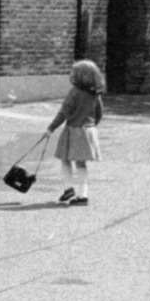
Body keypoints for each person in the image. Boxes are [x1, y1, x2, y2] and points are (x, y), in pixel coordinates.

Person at [48, 59, 104, 206]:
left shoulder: (74, 92)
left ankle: (68, 188)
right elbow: (99, 114)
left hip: (73, 130)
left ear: (79, 76)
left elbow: (64, 112)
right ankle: (83, 195)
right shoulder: (95, 94)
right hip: (88, 130)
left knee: (65, 159)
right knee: (81, 163)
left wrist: (51, 128)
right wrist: (91, 127)